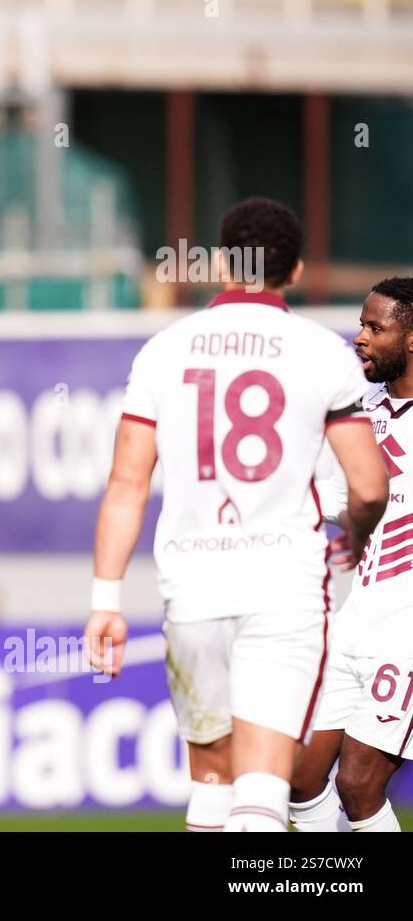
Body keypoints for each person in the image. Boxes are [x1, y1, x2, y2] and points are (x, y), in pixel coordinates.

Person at [86, 197, 389, 832]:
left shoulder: (164, 350)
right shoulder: (321, 352)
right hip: (284, 589)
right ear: (297, 270)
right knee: (262, 783)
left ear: (222, 261)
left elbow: (125, 485)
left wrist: (105, 600)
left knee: (212, 780)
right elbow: (367, 486)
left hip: (193, 590)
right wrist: (359, 540)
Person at [289, 277, 413, 833]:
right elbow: (338, 495)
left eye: (374, 327)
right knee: (299, 777)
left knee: (358, 783)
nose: (358, 337)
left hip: (406, 630)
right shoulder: (363, 411)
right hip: (358, 619)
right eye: (361, 324)